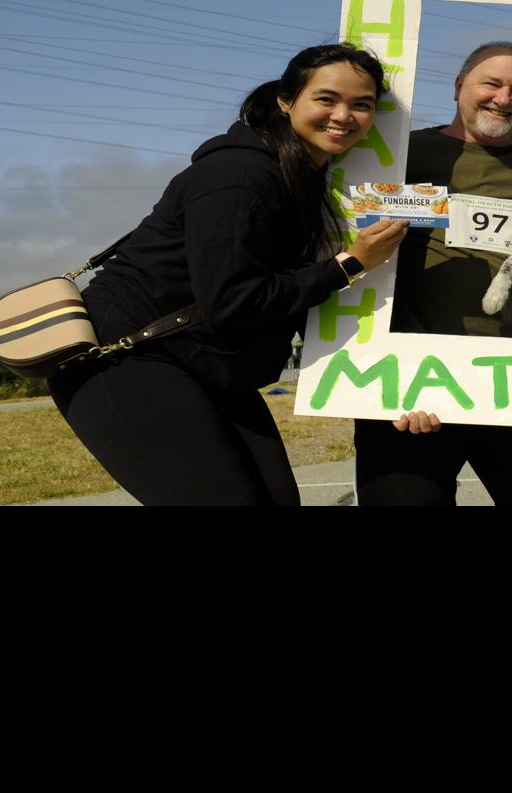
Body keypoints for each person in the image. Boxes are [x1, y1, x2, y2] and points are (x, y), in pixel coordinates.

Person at [49, 43, 408, 505]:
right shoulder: (241, 174)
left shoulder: (303, 176)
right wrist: (351, 264)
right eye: (326, 98)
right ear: (286, 99)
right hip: (126, 357)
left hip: (206, 359)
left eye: (361, 104)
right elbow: (231, 301)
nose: (344, 115)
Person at [352, 41, 512, 506]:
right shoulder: (396, 158)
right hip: (410, 379)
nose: (504, 98)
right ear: (460, 86)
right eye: (492, 83)